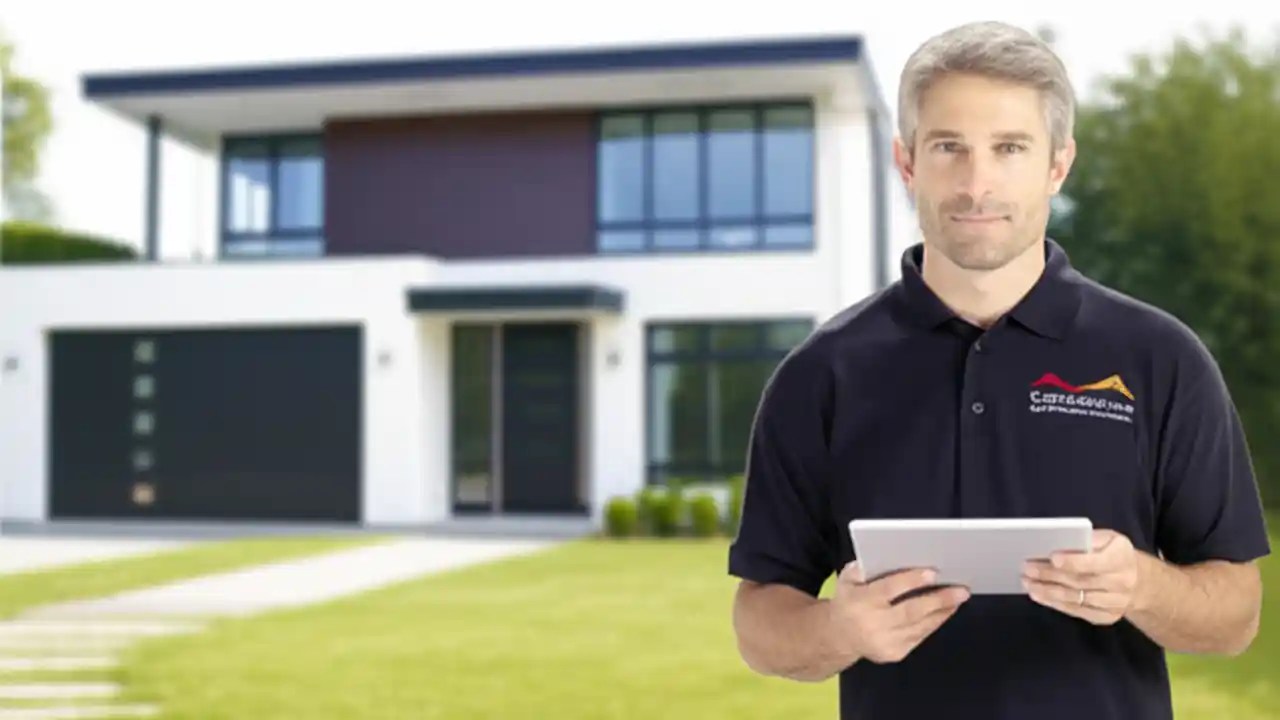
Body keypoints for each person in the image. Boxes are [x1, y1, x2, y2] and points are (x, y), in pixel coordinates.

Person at [727, 20, 1270, 720]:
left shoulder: (1160, 358)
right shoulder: (821, 374)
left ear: (1057, 165)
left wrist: (1141, 586)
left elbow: (1237, 614)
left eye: (1008, 148)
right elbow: (759, 621)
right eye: (949, 147)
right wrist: (838, 630)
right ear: (907, 162)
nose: (977, 183)